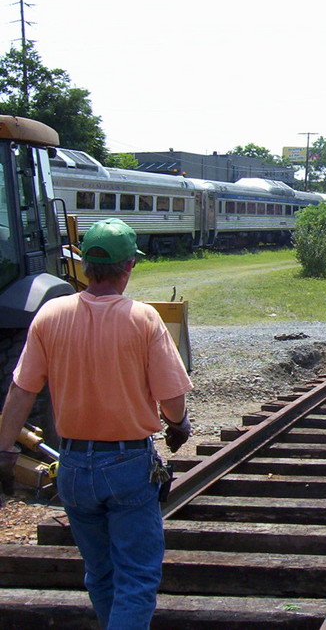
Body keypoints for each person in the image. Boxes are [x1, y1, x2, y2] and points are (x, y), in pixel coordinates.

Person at [0, 218, 193, 629]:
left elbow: (21, 392)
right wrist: (179, 425)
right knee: (137, 576)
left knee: (100, 573)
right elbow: (172, 400)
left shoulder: (51, 315)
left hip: (72, 467)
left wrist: (4, 450)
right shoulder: (143, 319)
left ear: (85, 264)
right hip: (126, 464)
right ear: (129, 267)